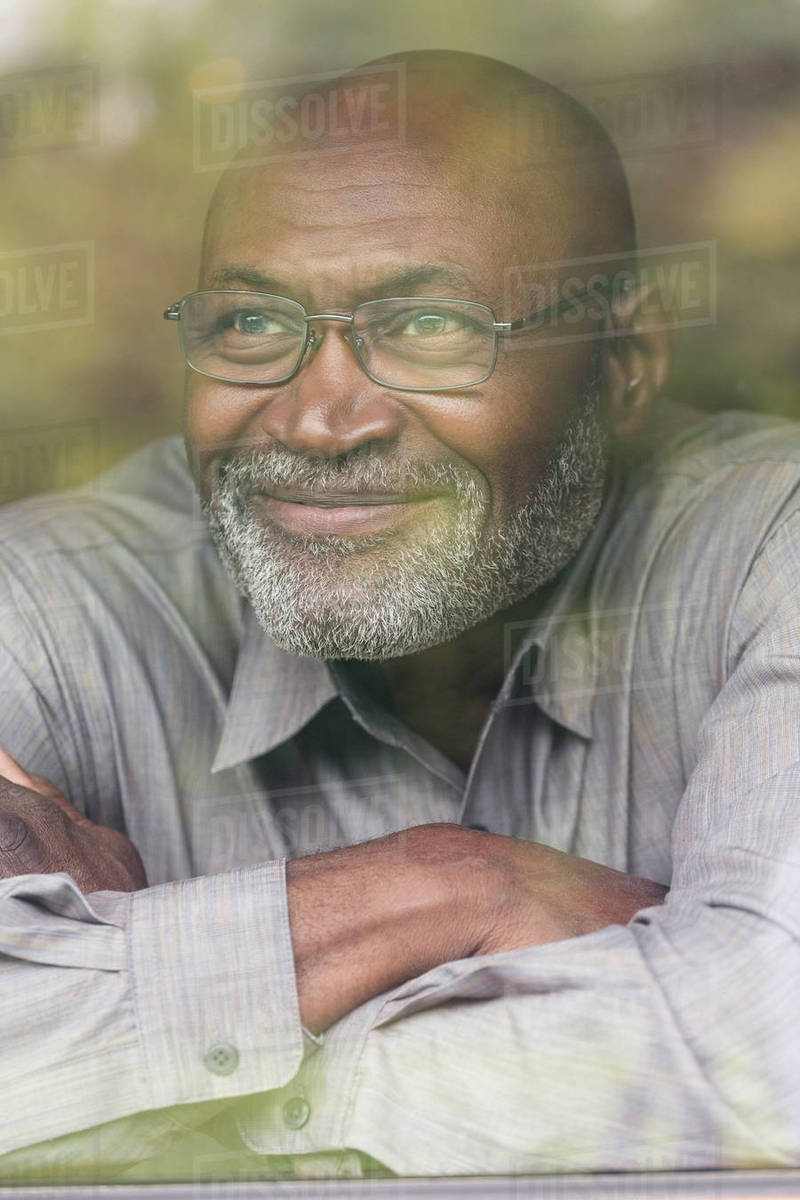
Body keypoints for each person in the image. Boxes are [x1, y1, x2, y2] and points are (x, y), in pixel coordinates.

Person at [0, 49, 799, 1183]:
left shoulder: (766, 548)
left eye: (429, 325)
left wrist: (174, 1081)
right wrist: (449, 886)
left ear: (622, 361)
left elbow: (773, 1038)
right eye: (251, 324)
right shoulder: (51, 600)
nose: (320, 421)